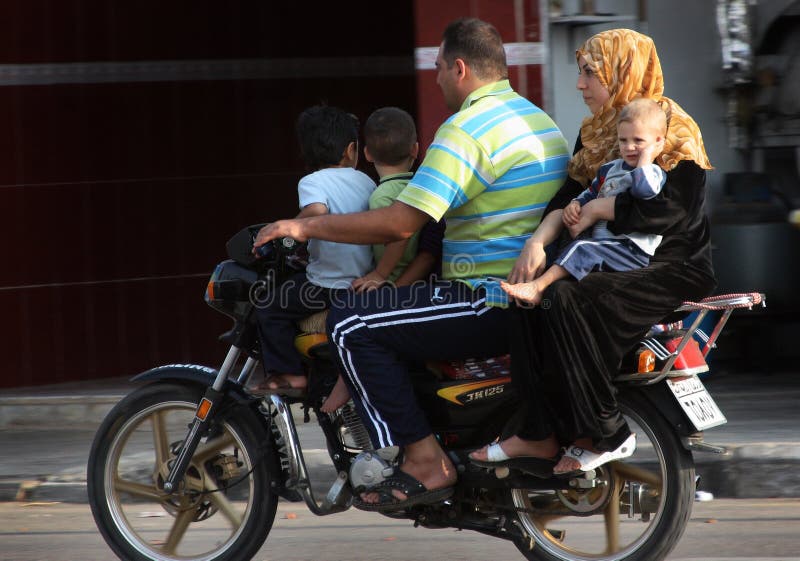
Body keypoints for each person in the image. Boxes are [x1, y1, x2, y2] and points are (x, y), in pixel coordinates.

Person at [253, 17, 570, 510]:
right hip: (524, 294)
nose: (437, 78)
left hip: (485, 296)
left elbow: (400, 223)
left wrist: (303, 228)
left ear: (460, 68)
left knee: (351, 321)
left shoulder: (467, 130)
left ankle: (424, 459)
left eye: (439, 67)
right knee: (385, 309)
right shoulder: (538, 120)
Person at [469, 28, 716, 475]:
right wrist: (536, 242)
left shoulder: (671, 129)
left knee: (568, 298)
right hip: (607, 257)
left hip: (669, 266)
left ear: (622, 72)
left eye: (590, 73)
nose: (580, 84)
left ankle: (605, 430)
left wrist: (601, 208)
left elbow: (670, 212)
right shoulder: (599, 133)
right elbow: (567, 199)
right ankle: (538, 431)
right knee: (525, 298)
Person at [249, 104, 375, 395]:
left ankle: (290, 374)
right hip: (364, 281)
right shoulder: (367, 181)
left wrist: (285, 233)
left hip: (328, 286)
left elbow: (316, 212)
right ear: (351, 150)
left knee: (269, 307)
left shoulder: (312, 181)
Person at [321, 106, 436, 413]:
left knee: (344, 317)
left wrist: (381, 274)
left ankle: (345, 381)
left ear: (367, 154)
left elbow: (399, 234)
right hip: (420, 282)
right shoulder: (420, 188)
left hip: (393, 284)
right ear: (416, 149)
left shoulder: (382, 198)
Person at [501, 97, 668, 306]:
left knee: (581, 249)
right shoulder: (610, 169)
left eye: (638, 141)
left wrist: (646, 158)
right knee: (568, 241)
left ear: (658, 141)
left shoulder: (653, 173)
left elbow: (643, 192)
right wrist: (575, 205)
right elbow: (591, 192)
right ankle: (528, 286)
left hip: (629, 249)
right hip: (602, 243)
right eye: (623, 140)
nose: (629, 147)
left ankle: (537, 287)